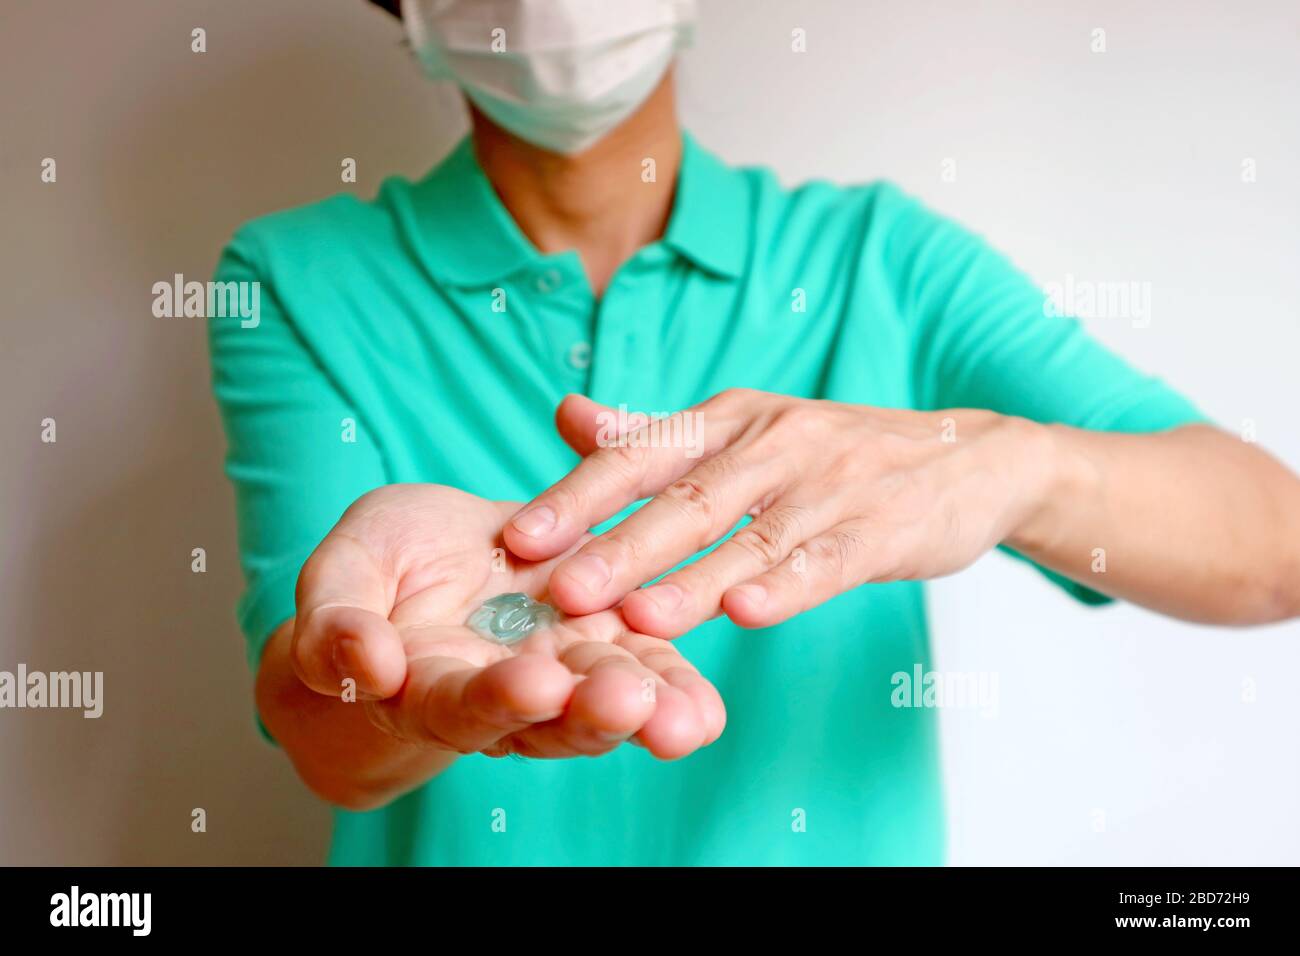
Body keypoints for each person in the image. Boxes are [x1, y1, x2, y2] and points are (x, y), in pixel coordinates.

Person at [207, 0, 1300, 866]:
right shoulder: (292, 280)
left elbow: (1275, 547)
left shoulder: (880, 258)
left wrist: (1008, 467)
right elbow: (329, 745)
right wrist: (389, 696)